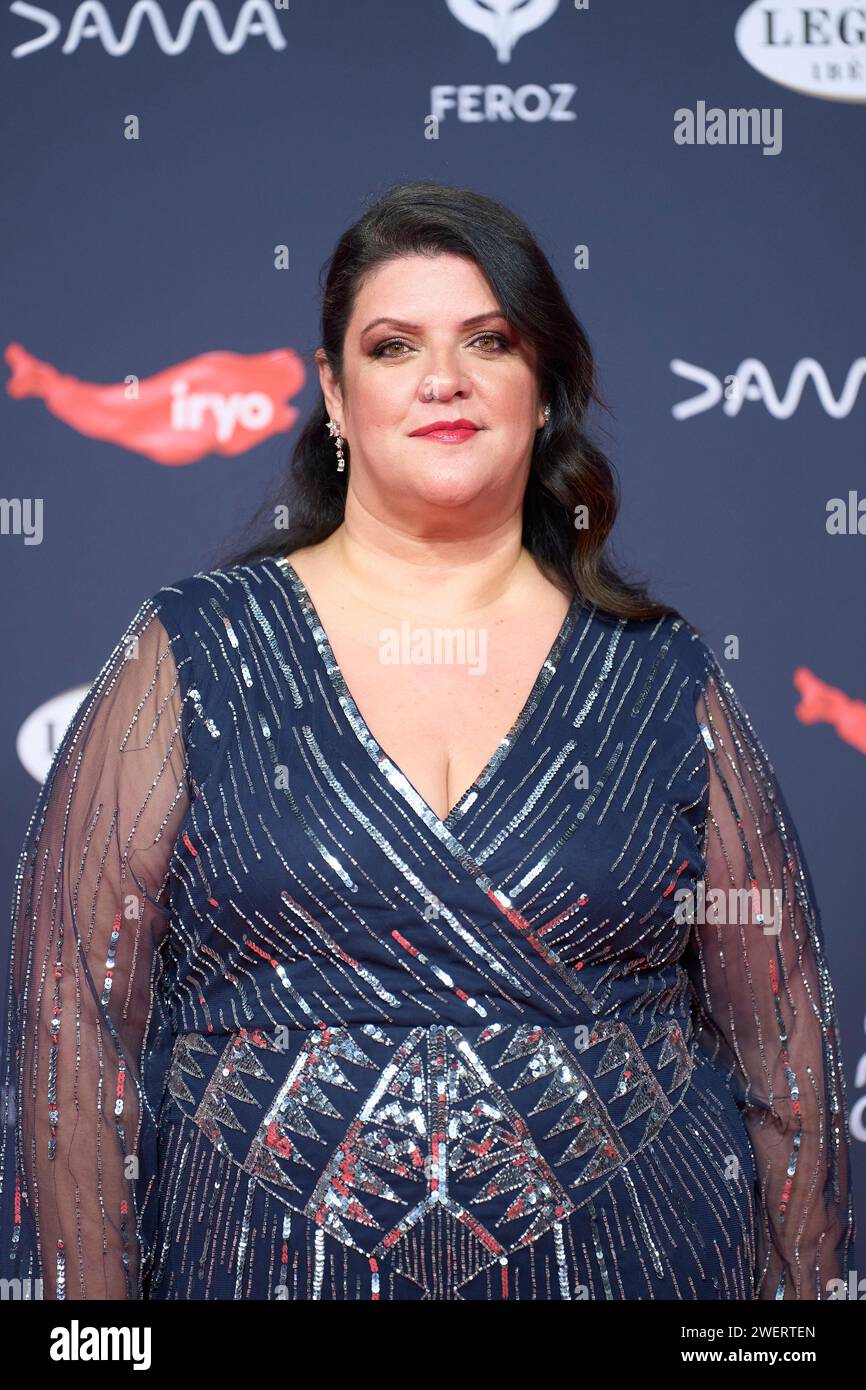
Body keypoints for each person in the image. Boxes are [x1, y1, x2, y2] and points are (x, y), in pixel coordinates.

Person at [0, 182, 856, 1301]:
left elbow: (783, 1053)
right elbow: (73, 1026)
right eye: (394, 345)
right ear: (334, 397)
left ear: (542, 388)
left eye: (486, 341)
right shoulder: (195, 650)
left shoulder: (659, 676)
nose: (442, 380)